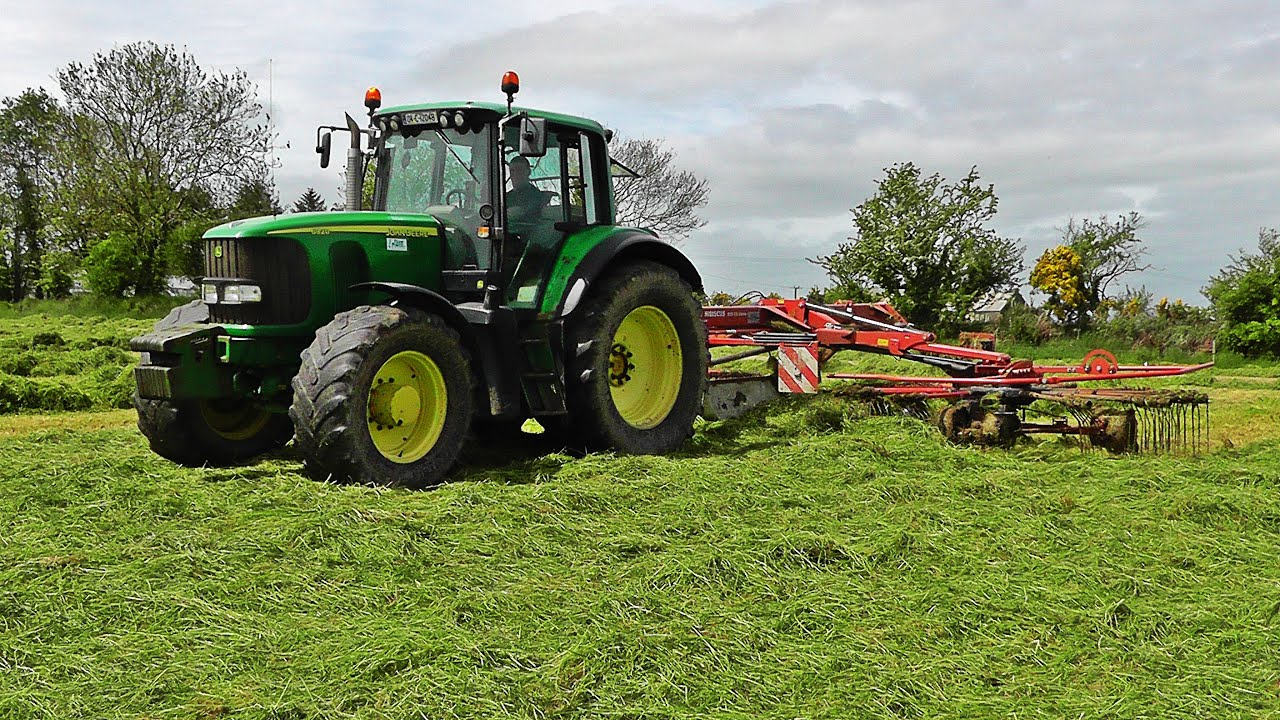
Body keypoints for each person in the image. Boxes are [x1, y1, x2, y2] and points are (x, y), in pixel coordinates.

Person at [505, 156, 546, 221]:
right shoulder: (506, 197)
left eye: (519, 170)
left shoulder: (536, 195)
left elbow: (529, 212)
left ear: (528, 172)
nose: (515, 174)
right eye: (512, 171)